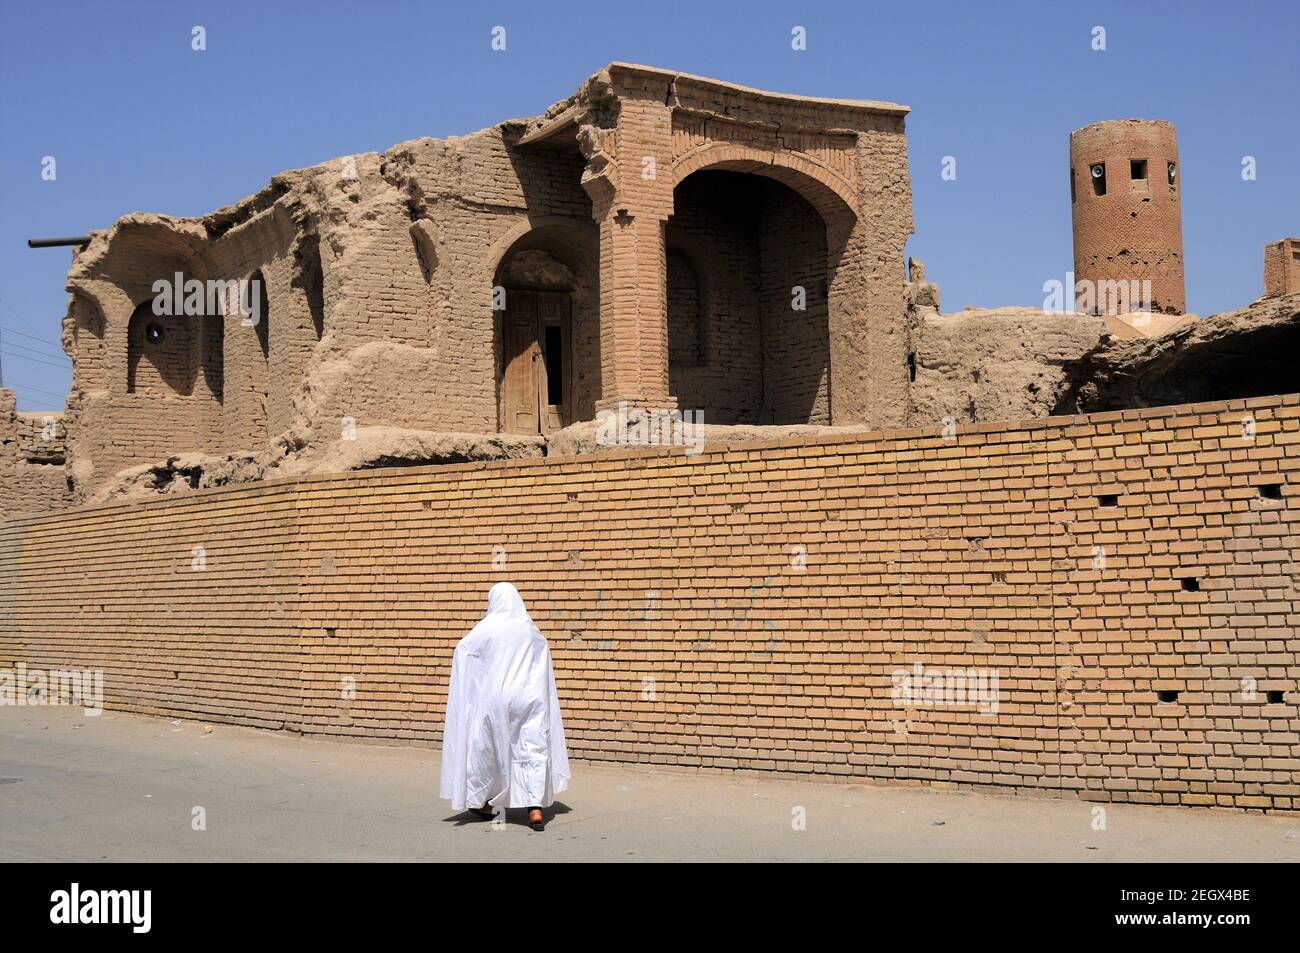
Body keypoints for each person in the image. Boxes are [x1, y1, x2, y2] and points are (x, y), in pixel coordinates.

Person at [439, 582, 570, 831]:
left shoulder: (488, 626)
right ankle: (534, 810)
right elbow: (542, 654)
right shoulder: (529, 628)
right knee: (532, 747)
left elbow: (464, 648)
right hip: (529, 697)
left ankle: (486, 803)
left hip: (496, 700)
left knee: (489, 748)